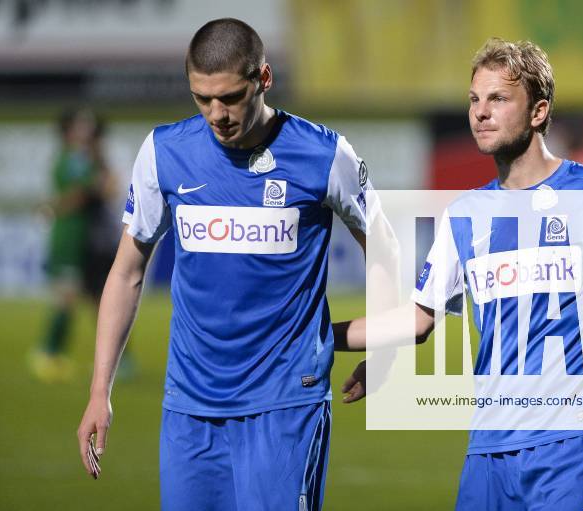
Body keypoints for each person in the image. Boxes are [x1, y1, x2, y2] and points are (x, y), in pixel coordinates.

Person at [336, 38, 583, 510]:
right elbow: (417, 320)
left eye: (498, 98)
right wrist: (315, 332)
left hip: (579, 442)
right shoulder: (465, 213)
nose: (480, 112)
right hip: (490, 449)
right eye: (475, 99)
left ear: (538, 111)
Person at [77, 18, 382, 511]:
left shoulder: (323, 153)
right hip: (189, 409)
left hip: (286, 403)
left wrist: (389, 353)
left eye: (230, 97)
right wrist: (99, 391)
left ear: (263, 79)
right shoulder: (164, 153)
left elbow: (386, 254)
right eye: (202, 99)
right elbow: (127, 272)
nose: (216, 114)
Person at [32, 108, 126, 382]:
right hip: (69, 238)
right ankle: (47, 354)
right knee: (67, 297)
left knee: (94, 298)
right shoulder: (72, 159)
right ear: (69, 131)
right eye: (79, 126)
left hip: (84, 240)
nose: (84, 131)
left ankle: (57, 355)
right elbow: (93, 189)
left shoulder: (77, 158)